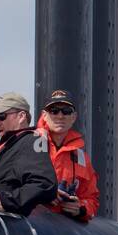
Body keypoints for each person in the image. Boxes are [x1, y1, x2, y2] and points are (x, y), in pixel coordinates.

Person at [0, 92, 57, 216]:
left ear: (21, 116)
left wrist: (1, 202)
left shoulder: (31, 140)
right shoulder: (2, 148)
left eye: (1, 116)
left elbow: (44, 183)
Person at [35, 89, 100, 222]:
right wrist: (43, 194)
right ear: (44, 115)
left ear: (74, 117)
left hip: (62, 231)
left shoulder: (82, 158)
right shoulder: (29, 143)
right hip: (32, 222)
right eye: (54, 111)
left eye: (66, 111)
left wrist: (80, 208)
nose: (60, 116)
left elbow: (91, 198)